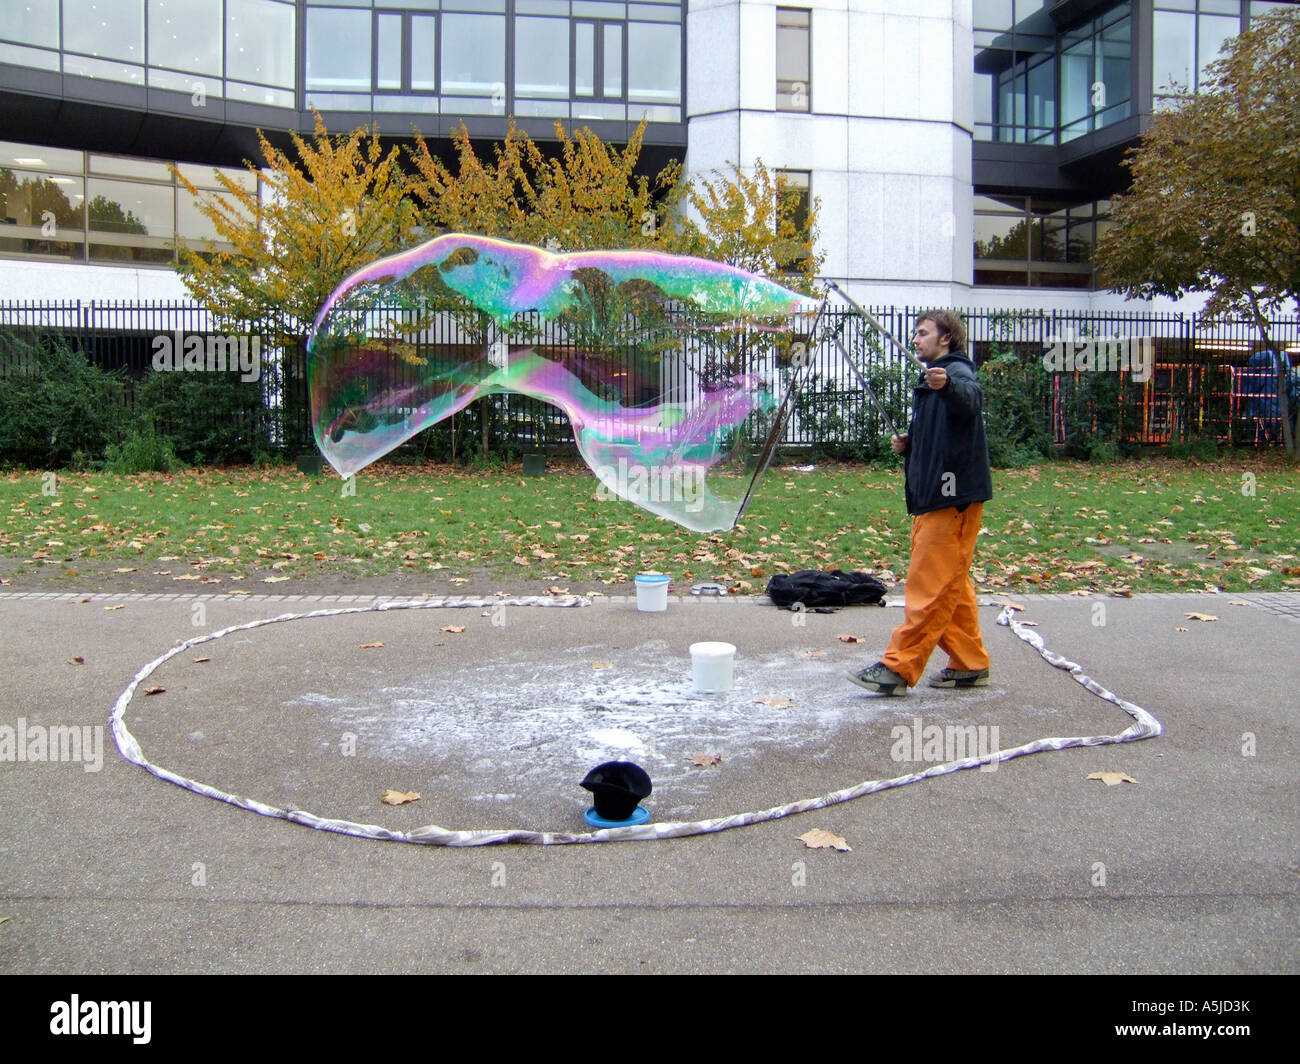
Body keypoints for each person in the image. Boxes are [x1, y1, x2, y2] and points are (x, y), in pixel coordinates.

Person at [848, 309, 993, 695]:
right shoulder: (932, 380)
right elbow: (945, 434)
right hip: (934, 496)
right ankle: (969, 662)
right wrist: (909, 445)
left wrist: (947, 385)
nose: (915, 339)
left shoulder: (956, 373)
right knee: (952, 586)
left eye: (923, 332)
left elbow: (970, 401)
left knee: (929, 585)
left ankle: (898, 667)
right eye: (915, 333)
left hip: (952, 499)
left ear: (946, 339)